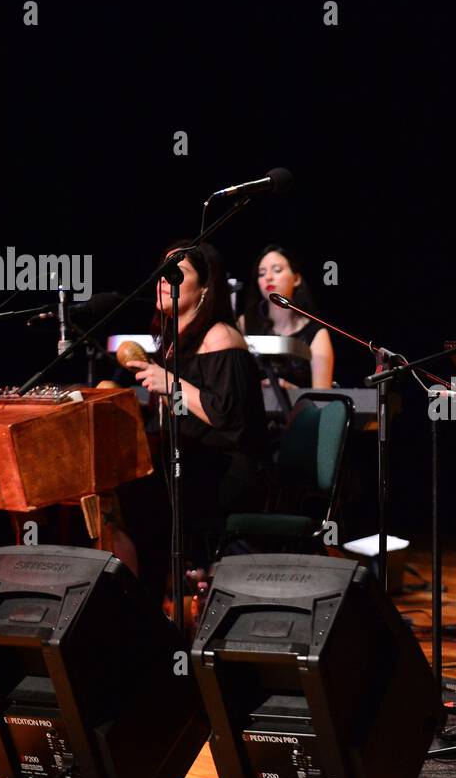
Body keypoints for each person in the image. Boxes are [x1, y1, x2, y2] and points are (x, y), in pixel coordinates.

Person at [115, 241, 270, 609]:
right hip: (197, 463)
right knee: (130, 491)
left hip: (231, 471)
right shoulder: (174, 343)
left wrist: (170, 384)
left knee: (146, 502)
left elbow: (227, 418)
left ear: (205, 288)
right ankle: (144, 606)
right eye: (160, 273)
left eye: (175, 274)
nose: (161, 281)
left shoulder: (220, 337)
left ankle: (146, 610)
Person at [236, 245, 334, 389]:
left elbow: (322, 402)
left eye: (277, 270)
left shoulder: (316, 334)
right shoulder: (244, 324)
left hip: (299, 410)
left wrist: (291, 391)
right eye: (261, 274)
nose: (268, 277)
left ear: (296, 279)